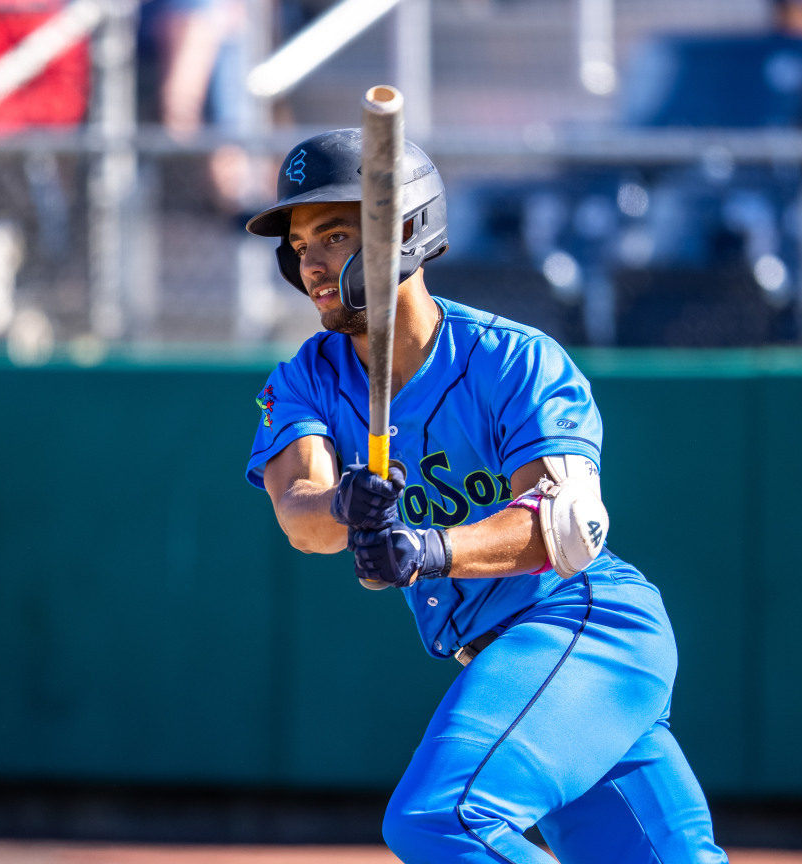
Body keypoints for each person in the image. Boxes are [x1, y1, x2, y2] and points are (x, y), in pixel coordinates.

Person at [243, 130, 727, 864]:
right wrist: (346, 505)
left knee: (441, 820)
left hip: (586, 624)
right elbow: (300, 513)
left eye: (336, 234)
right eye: (301, 241)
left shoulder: (514, 359)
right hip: (514, 665)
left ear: (405, 230)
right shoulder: (306, 377)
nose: (309, 260)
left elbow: (566, 527)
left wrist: (429, 550)